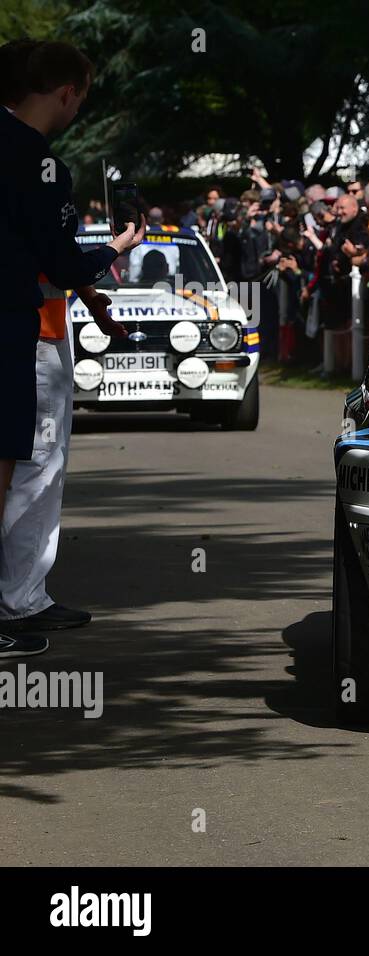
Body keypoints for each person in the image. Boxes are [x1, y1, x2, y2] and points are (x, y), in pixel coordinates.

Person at [0, 39, 143, 657]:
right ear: (66, 92)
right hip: (12, 330)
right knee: (21, 471)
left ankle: (19, 601)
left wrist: (87, 292)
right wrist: (114, 250)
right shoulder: (39, 161)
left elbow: (27, 248)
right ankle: (16, 604)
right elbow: (54, 260)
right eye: (80, 97)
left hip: (24, 323)